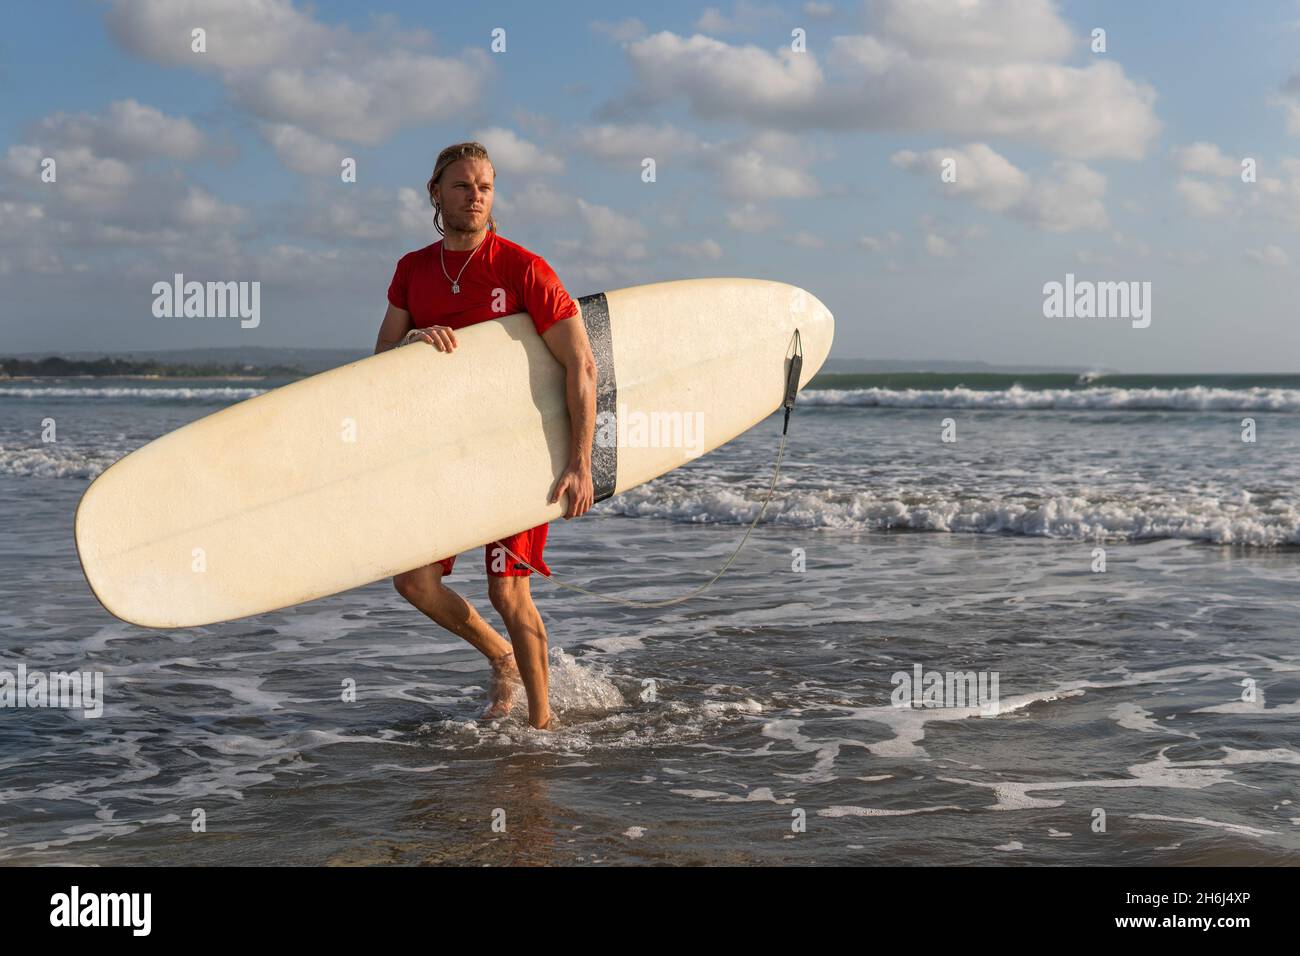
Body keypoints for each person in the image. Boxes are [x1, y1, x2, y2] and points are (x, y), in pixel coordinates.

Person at [374, 142, 597, 731]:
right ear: (436, 193)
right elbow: (380, 359)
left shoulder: (523, 267)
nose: (476, 196)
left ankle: (542, 727)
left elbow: (581, 364)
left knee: (508, 593)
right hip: (443, 455)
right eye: (463, 185)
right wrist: (413, 342)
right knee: (414, 582)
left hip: (515, 454)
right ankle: (501, 658)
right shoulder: (412, 269)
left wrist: (580, 462)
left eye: (485, 187)